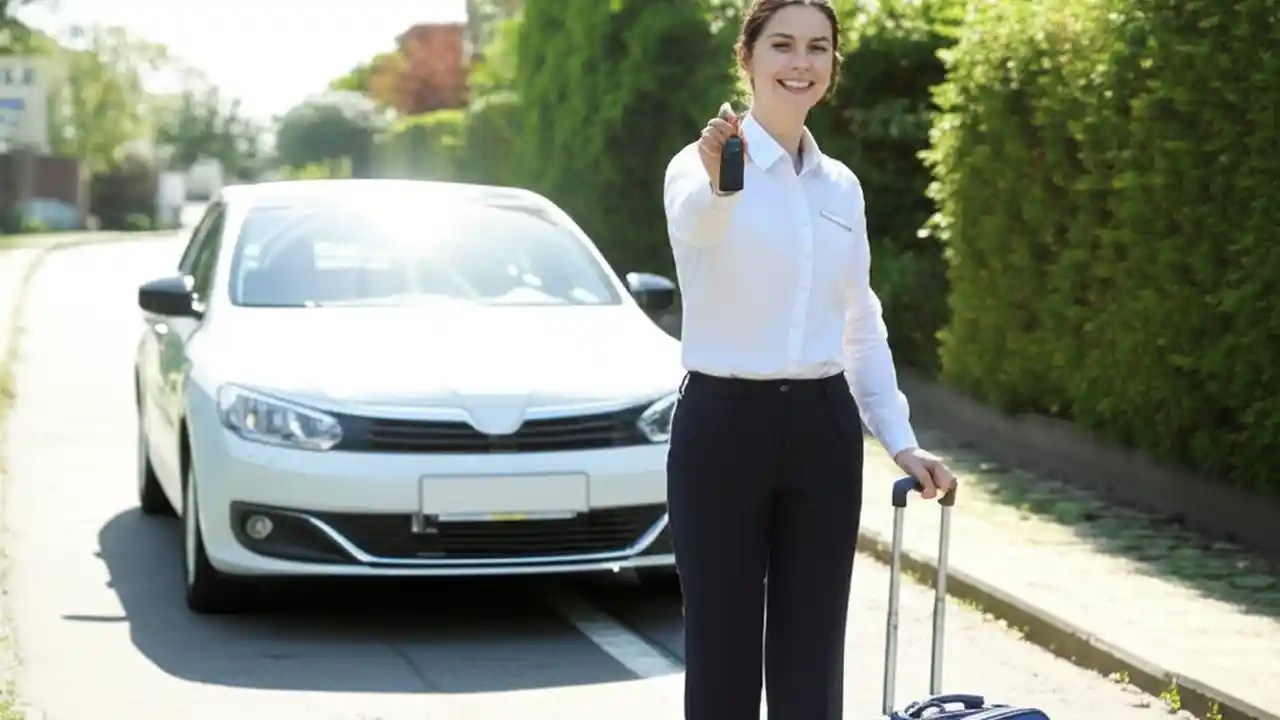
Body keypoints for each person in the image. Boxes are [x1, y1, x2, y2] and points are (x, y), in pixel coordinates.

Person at [660, 0, 958, 718]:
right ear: (748, 58)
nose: (801, 63)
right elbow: (699, 226)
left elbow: (859, 319)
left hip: (822, 428)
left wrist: (900, 438)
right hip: (722, 424)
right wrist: (722, 178)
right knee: (722, 655)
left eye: (818, 48)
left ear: (832, 65)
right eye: (783, 46)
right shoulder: (695, 168)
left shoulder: (841, 187)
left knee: (813, 654)